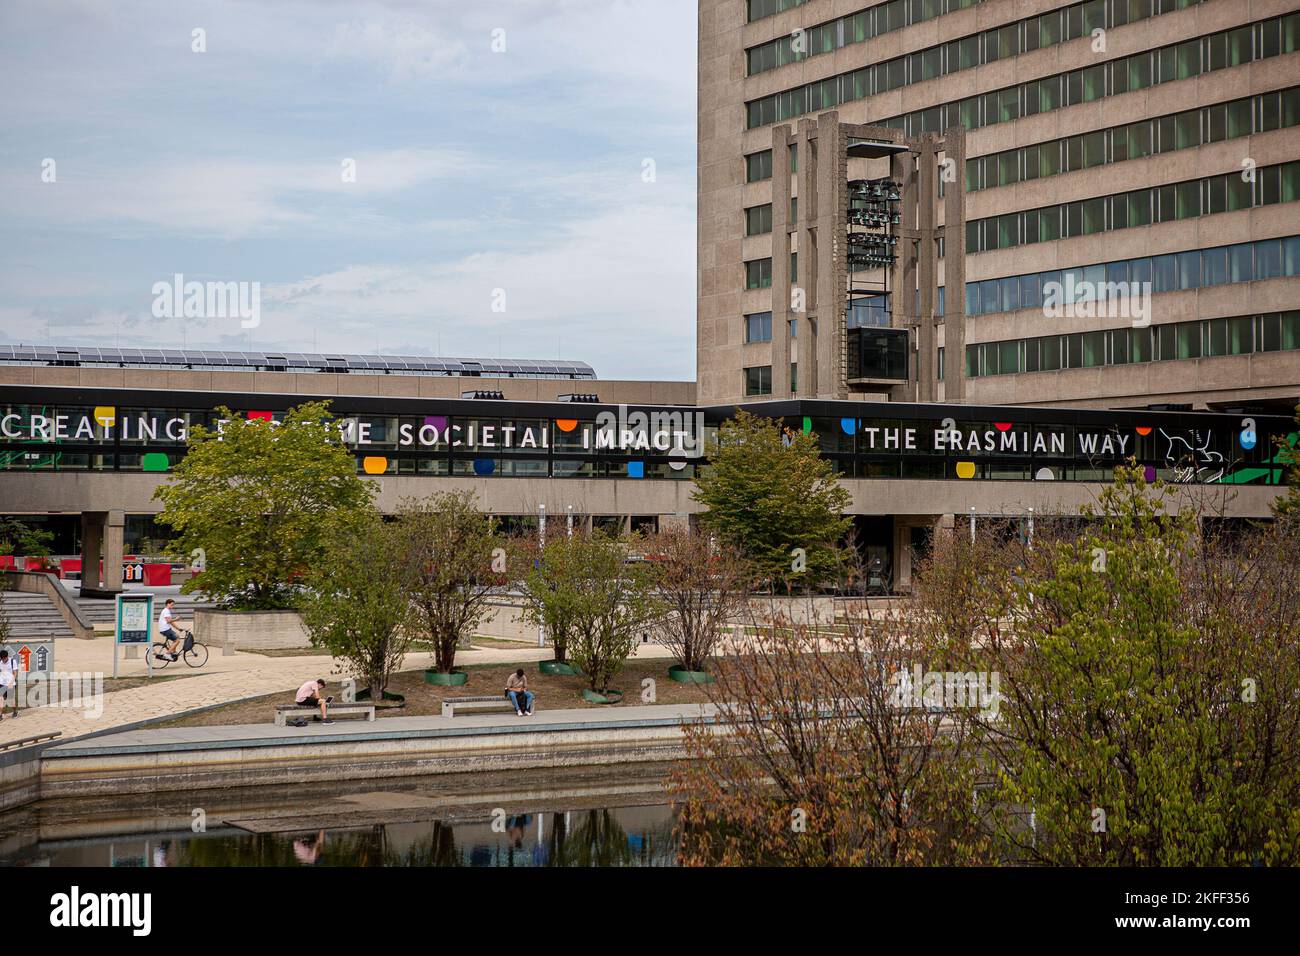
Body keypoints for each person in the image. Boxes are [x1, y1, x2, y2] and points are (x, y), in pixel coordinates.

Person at [0, 650, 17, 721]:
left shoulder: (13, 661)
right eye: (2, 658)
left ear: (7, 656)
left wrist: (11, 682)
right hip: (2, 683)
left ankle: (15, 711)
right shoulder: (0, 662)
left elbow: (15, 673)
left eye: (4, 658)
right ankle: (0, 715)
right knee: (1, 699)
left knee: (11, 699)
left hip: (11, 684)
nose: (3, 660)